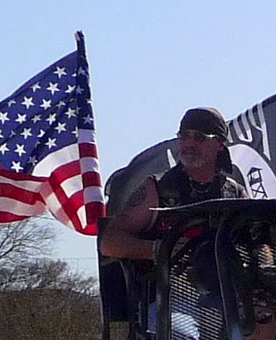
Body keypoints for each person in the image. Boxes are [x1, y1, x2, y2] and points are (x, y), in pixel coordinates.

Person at [98, 106, 248, 262]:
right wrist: (162, 250)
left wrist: (261, 260)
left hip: (224, 285)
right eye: (184, 136)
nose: (189, 143)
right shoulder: (156, 188)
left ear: (219, 144)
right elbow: (110, 242)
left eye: (199, 137)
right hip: (166, 284)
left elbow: (259, 242)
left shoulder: (234, 194)